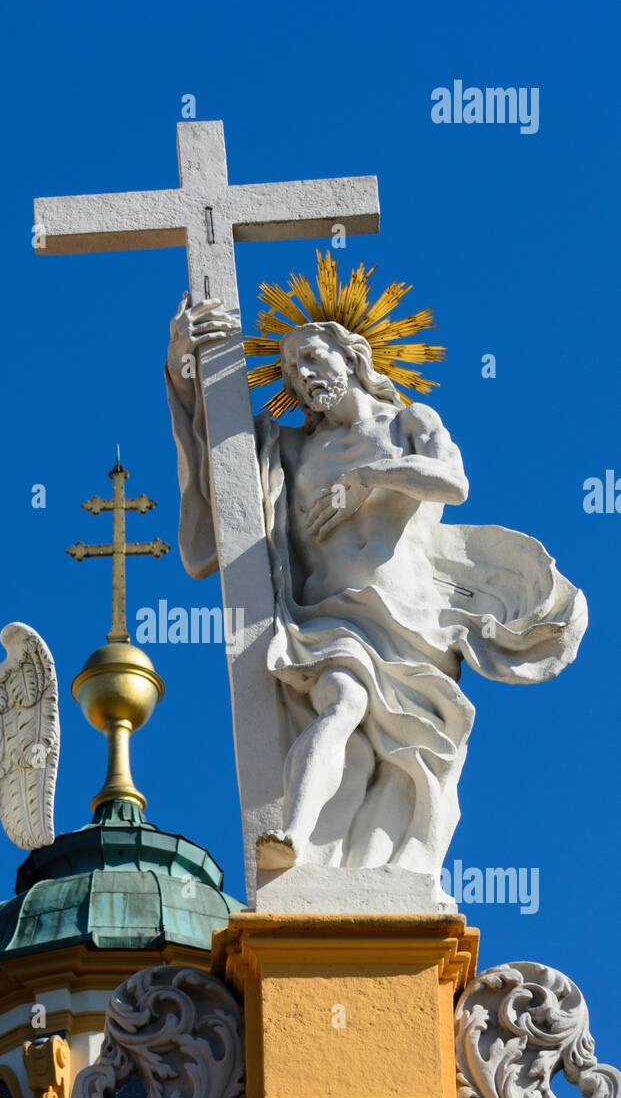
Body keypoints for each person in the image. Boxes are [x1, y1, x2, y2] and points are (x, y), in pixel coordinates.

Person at [166, 294, 586, 877]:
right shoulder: (290, 449)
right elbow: (221, 456)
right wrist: (186, 367)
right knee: (342, 703)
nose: (302, 377)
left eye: (312, 358)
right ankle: (290, 839)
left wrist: (370, 476)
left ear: (352, 356)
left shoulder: (410, 423)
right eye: (289, 371)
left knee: (422, 758)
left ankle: (406, 869)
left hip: (413, 621)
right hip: (331, 614)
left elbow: (452, 483)